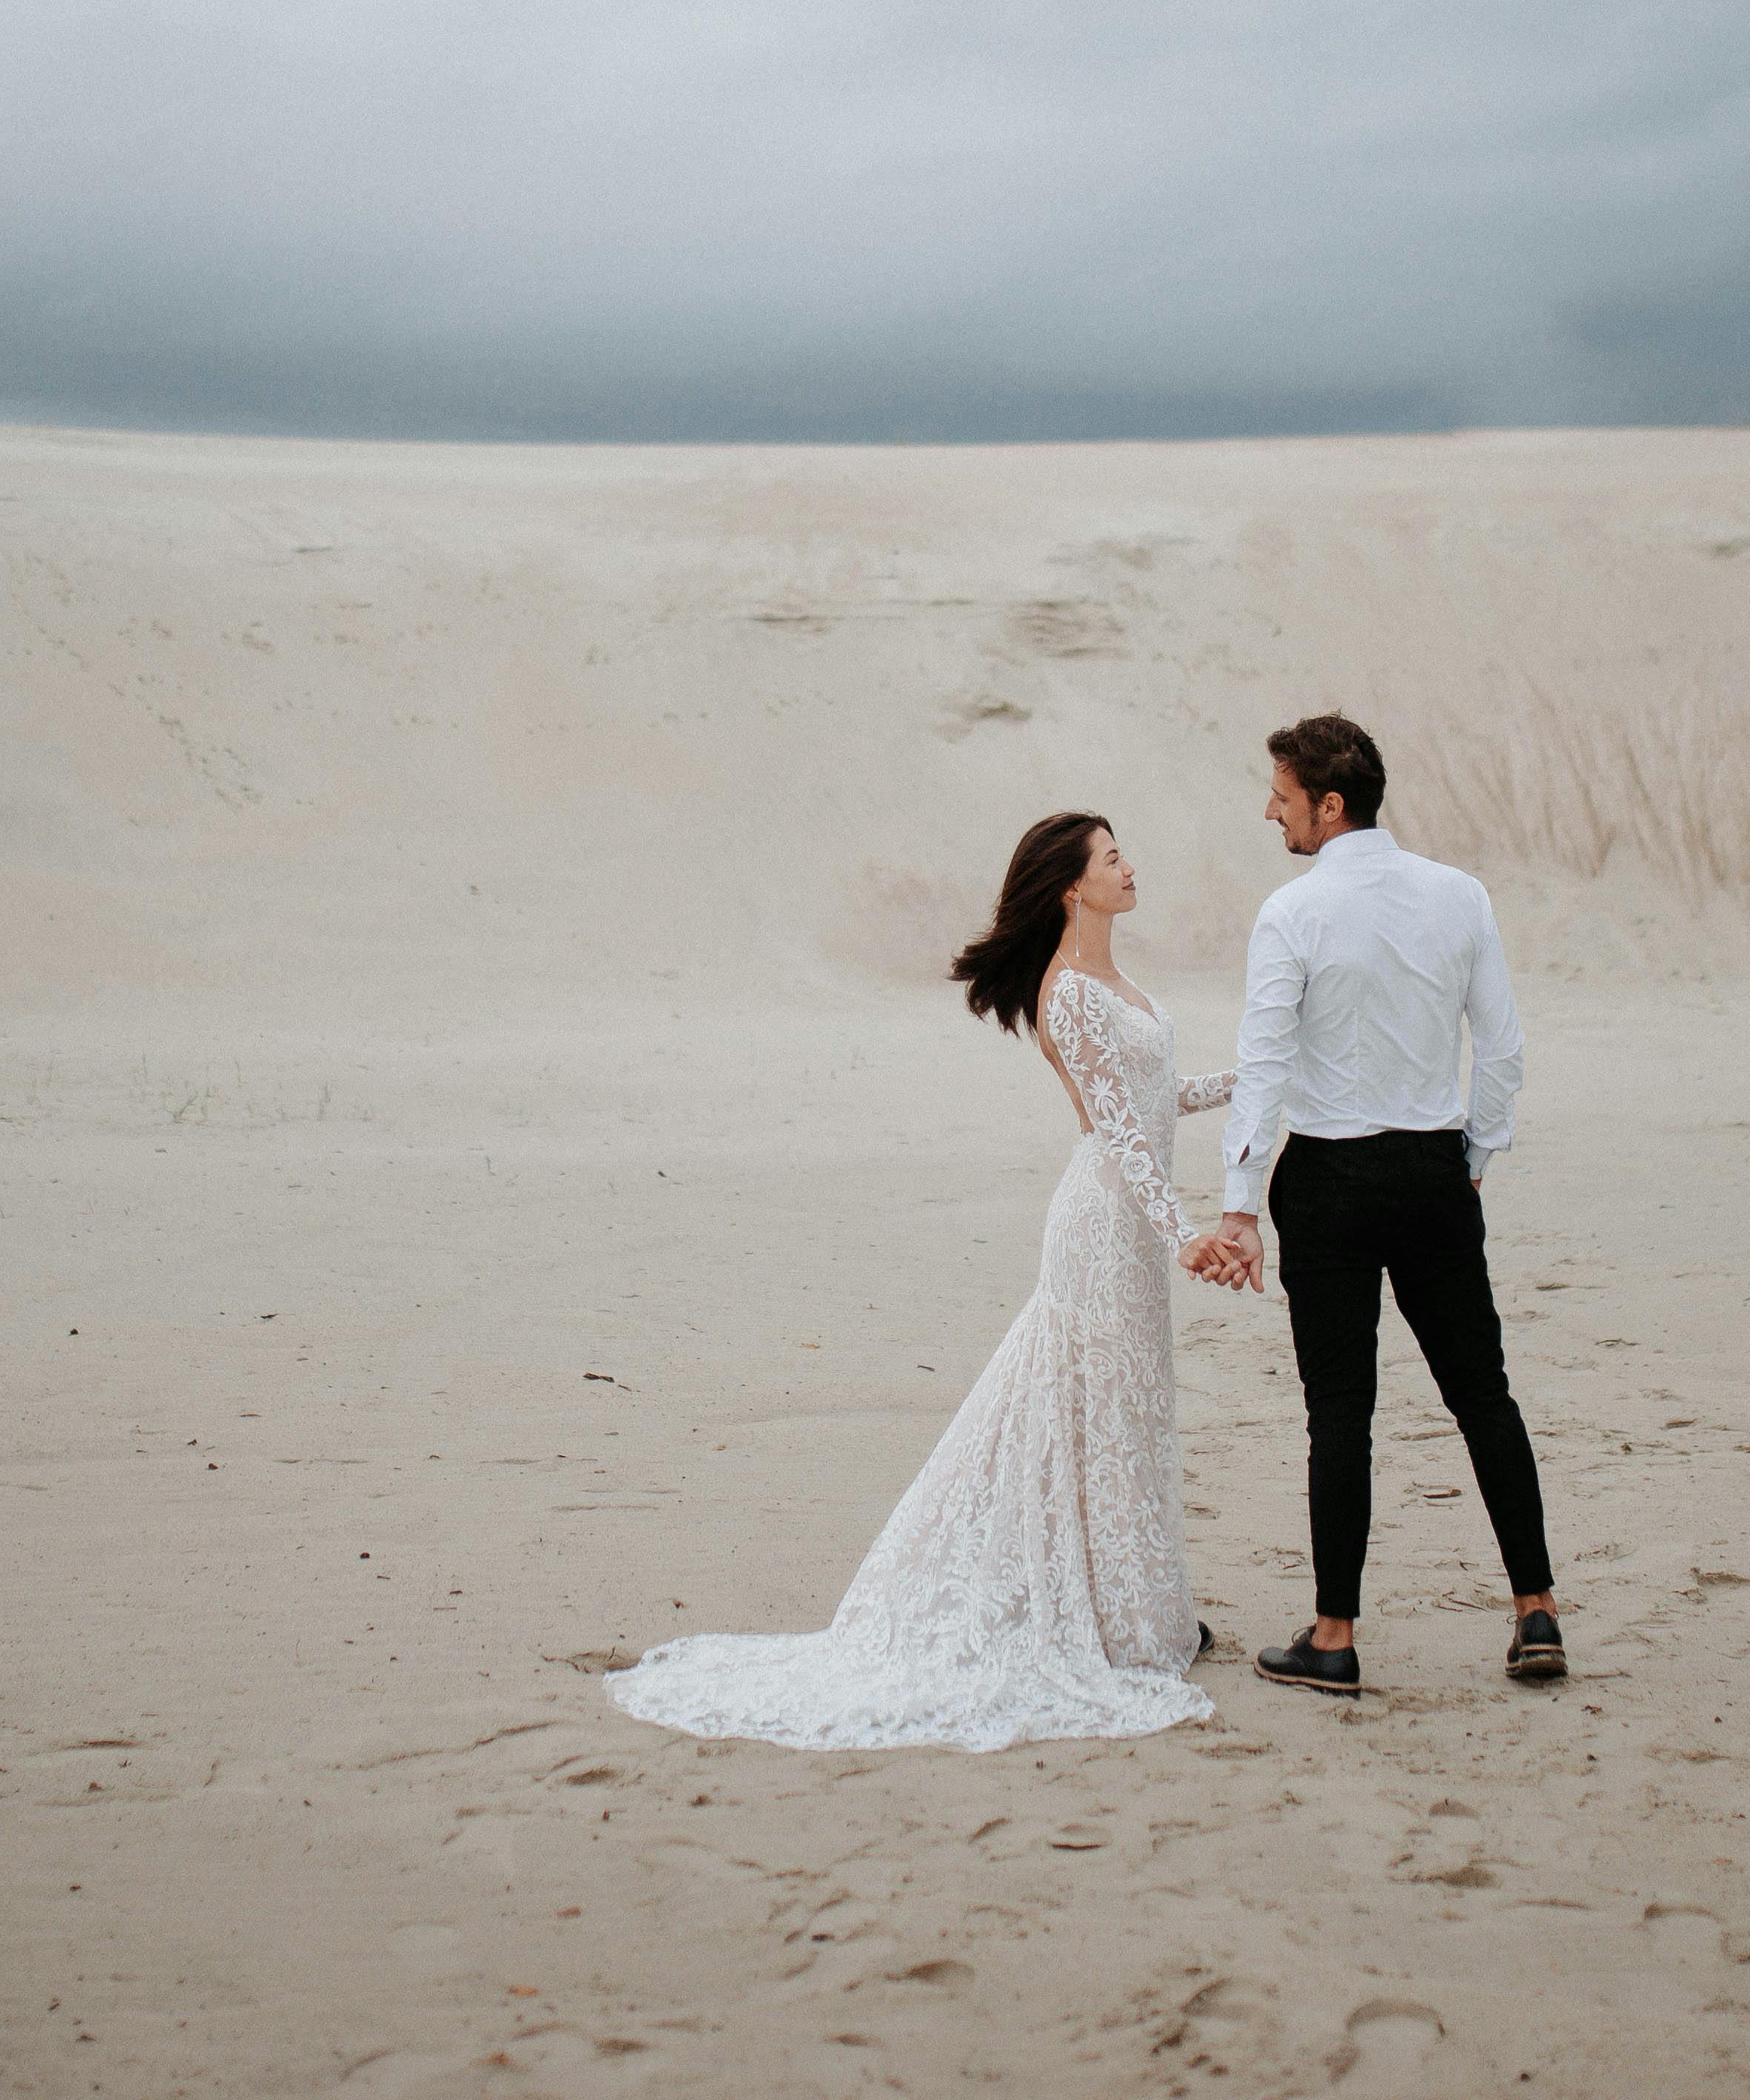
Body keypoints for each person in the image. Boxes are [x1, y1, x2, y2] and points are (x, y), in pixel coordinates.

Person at [604, 812, 1229, 1750]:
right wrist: (1183, 1228)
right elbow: (1120, 1130)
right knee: (1087, 1407)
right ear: (1072, 886)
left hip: (1133, 1230)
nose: (1130, 867)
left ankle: (1136, 1614)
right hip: (1105, 1224)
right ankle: (1105, 1620)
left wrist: (1251, 1079)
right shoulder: (1067, 993)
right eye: (1111, 859)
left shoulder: (1118, 983)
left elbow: (1157, 1095)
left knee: (1127, 1410)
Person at [1180, 714, 1565, 1693]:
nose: (1272, 811)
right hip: (1433, 1172)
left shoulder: (1292, 913)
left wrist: (1239, 1205)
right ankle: (1537, 1615)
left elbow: (1266, 1065)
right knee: (1483, 1395)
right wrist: (1472, 1154)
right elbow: (1504, 1047)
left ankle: (1336, 1636)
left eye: (1283, 795)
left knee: (1339, 1413)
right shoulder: (1460, 894)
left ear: (1330, 802)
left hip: (1328, 1185)